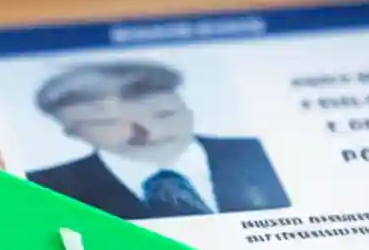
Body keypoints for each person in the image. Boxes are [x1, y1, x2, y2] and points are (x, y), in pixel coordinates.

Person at [27, 61, 289, 220]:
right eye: (107, 123)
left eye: (163, 114)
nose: (149, 133)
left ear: (188, 109)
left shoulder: (264, 152)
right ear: (74, 133)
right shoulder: (44, 190)